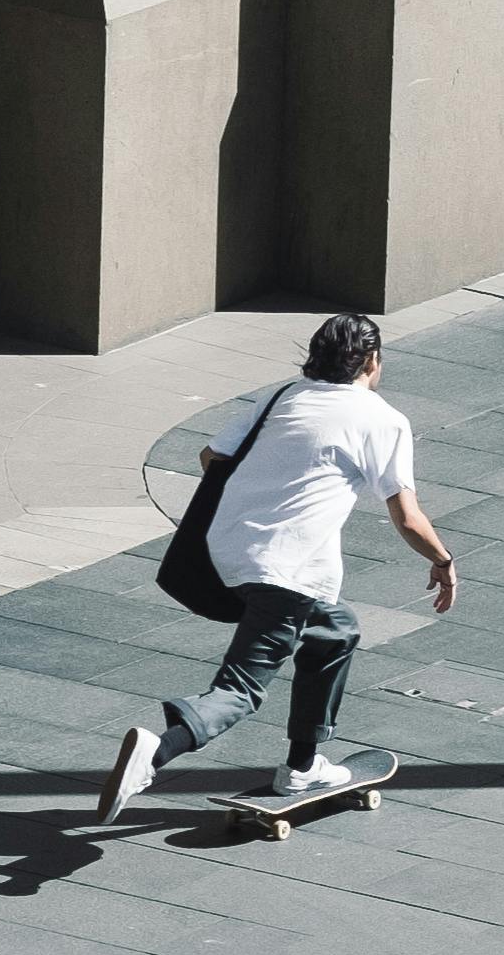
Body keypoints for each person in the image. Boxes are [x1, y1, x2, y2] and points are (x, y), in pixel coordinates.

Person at [98, 311, 454, 816]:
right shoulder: (381, 418)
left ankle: (303, 765)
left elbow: (210, 457)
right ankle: (156, 753)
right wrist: (443, 560)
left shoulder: (281, 397)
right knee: (240, 689)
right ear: (372, 361)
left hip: (227, 551)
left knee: (337, 631)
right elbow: (408, 517)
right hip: (286, 573)